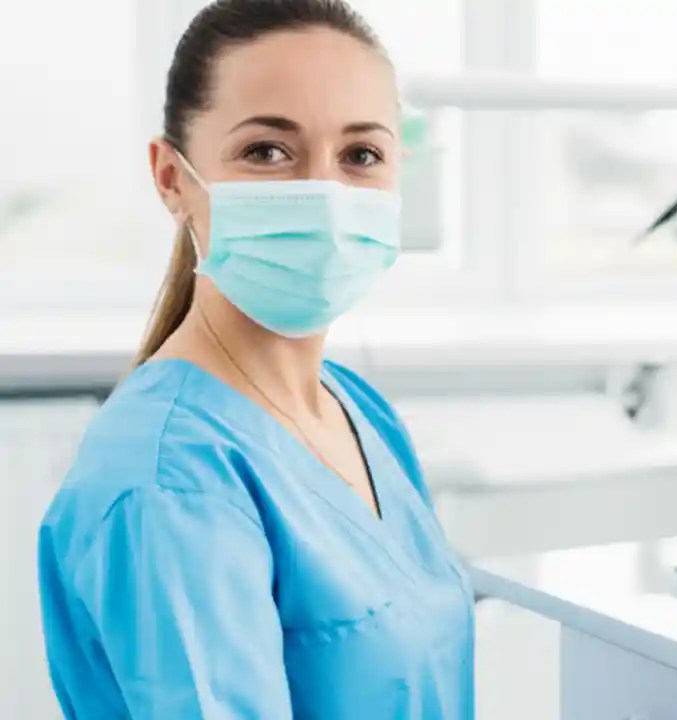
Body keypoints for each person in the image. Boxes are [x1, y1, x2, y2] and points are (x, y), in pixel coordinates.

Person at [37, 2, 474, 717]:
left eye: (361, 155)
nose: (325, 195)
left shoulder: (355, 408)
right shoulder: (171, 483)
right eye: (268, 152)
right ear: (172, 178)